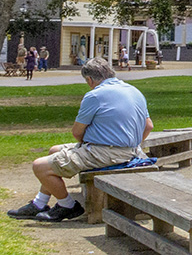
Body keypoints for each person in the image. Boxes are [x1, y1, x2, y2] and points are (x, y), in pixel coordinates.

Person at [7, 58, 152, 222]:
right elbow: (148, 126)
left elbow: (77, 132)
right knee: (54, 150)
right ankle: (39, 203)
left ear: (90, 79)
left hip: (105, 152)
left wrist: (91, 144)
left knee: (39, 166)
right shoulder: (134, 91)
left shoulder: (95, 95)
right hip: (131, 151)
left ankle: (67, 206)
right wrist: (129, 144)